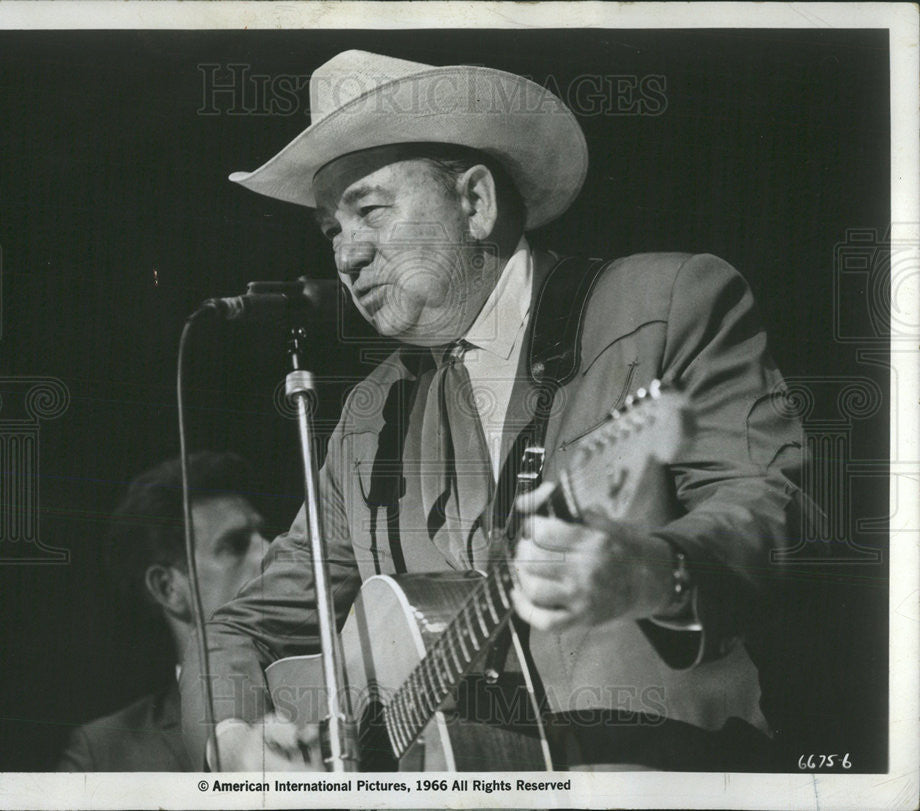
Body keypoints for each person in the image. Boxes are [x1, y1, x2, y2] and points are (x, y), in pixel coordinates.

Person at [179, 50, 806, 772]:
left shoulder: (664, 305)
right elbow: (237, 626)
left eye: (370, 211)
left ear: (476, 202)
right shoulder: (366, 417)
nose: (346, 256)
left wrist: (654, 572)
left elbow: (773, 510)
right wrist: (233, 731)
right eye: (329, 231)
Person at [57, 451, 272, 771]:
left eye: (264, 535)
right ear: (168, 588)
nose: (271, 552)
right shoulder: (104, 755)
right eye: (236, 544)